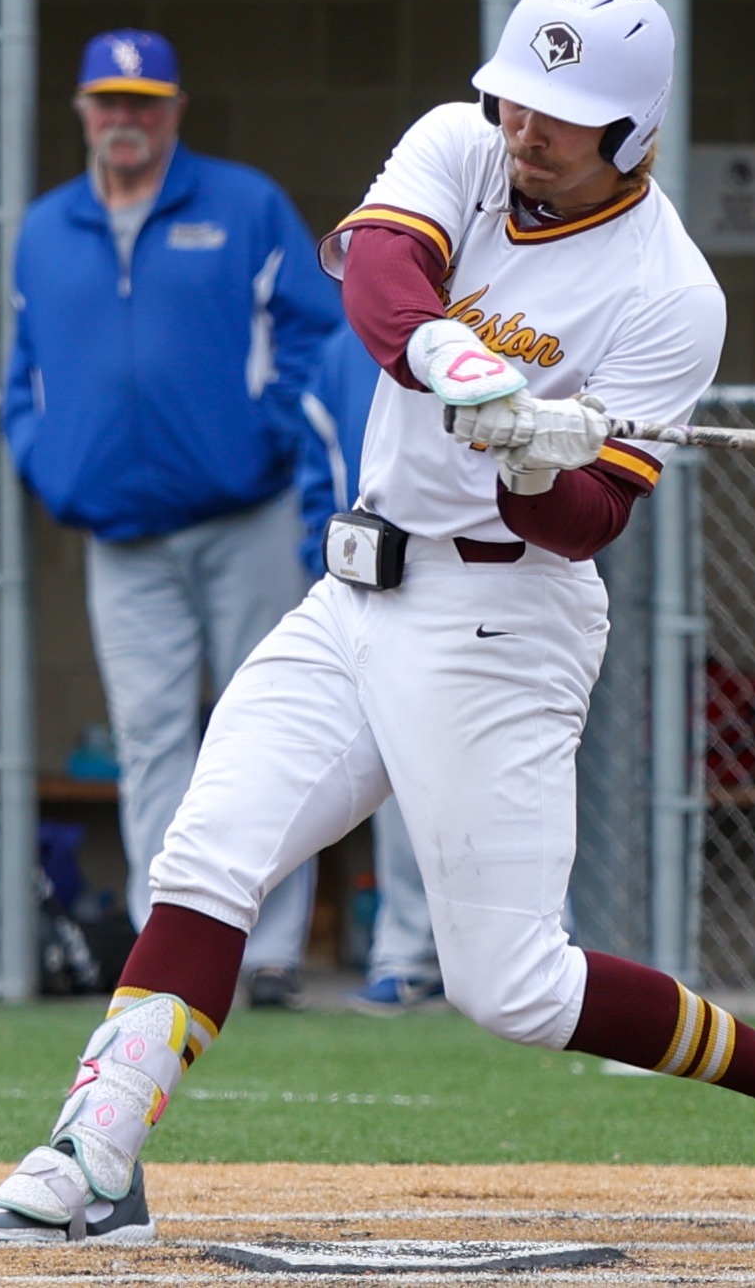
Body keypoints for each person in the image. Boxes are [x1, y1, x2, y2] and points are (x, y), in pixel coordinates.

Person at [0, 0, 755, 1248]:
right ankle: (98, 1154)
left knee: (512, 985)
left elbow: (588, 520)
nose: (523, 130)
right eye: (517, 97)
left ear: (628, 132)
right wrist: (455, 361)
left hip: (500, 625)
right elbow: (378, 276)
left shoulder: (669, 295)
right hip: (352, 592)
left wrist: (530, 456)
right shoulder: (458, 145)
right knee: (204, 855)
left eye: (558, 115)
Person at [0, 30, 341, 1008]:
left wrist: (263, 439)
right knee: (150, 739)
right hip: (119, 533)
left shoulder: (240, 204)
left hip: (244, 515)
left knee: (267, 725)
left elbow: (315, 336)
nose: (125, 120)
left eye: (144, 103)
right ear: (80, 111)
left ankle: (268, 948)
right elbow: (21, 372)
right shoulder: (44, 227)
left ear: (175, 111)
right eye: (108, 102)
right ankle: (177, 951)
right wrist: (47, 461)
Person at [295, 323, 443, 1015]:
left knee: (506, 769)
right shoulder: (347, 340)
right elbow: (317, 454)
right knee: (395, 761)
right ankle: (407, 955)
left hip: (486, 584)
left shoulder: (507, 311)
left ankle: (540, 948)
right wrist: (320, 547)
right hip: (376, 576)